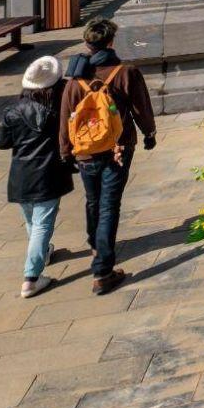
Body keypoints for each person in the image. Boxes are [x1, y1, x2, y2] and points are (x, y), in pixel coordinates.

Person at [58, 18, 157, 296]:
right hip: (118, 148)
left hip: (86, 152)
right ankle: (103, 270)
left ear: (87, 43)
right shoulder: (125, 73)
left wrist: (66, 151)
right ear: (111, 41)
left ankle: (95, 245)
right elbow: (141, 108)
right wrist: (149, 133)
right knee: (108, 205)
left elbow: (66, 117)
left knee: (93, 200)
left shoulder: (76, 78)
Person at [0, 55, 72, 298]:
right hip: (48, 174)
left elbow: (0, 142)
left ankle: (43, 254)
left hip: (20, 177)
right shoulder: (57, 110)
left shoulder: (13, 112)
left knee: (32, 222)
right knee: (42, 224)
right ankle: (31, 278)